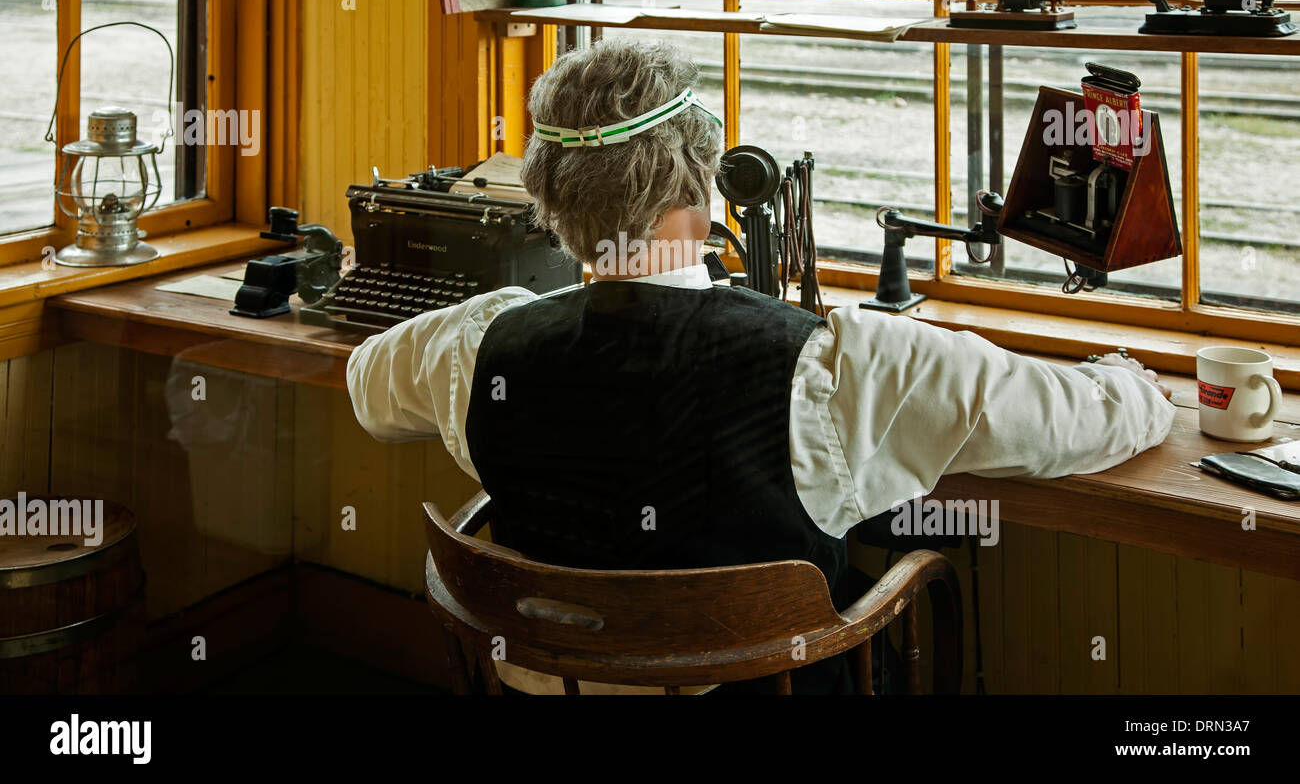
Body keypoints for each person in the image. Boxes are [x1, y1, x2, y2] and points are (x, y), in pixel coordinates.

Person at [346, 38, 1174, 693]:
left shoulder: (478, 342)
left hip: (550, 683)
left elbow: (367, 393)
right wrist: (1134, 377)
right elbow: (1082, 422)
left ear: (551, 198)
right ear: (703, 184)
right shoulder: (836, 363)